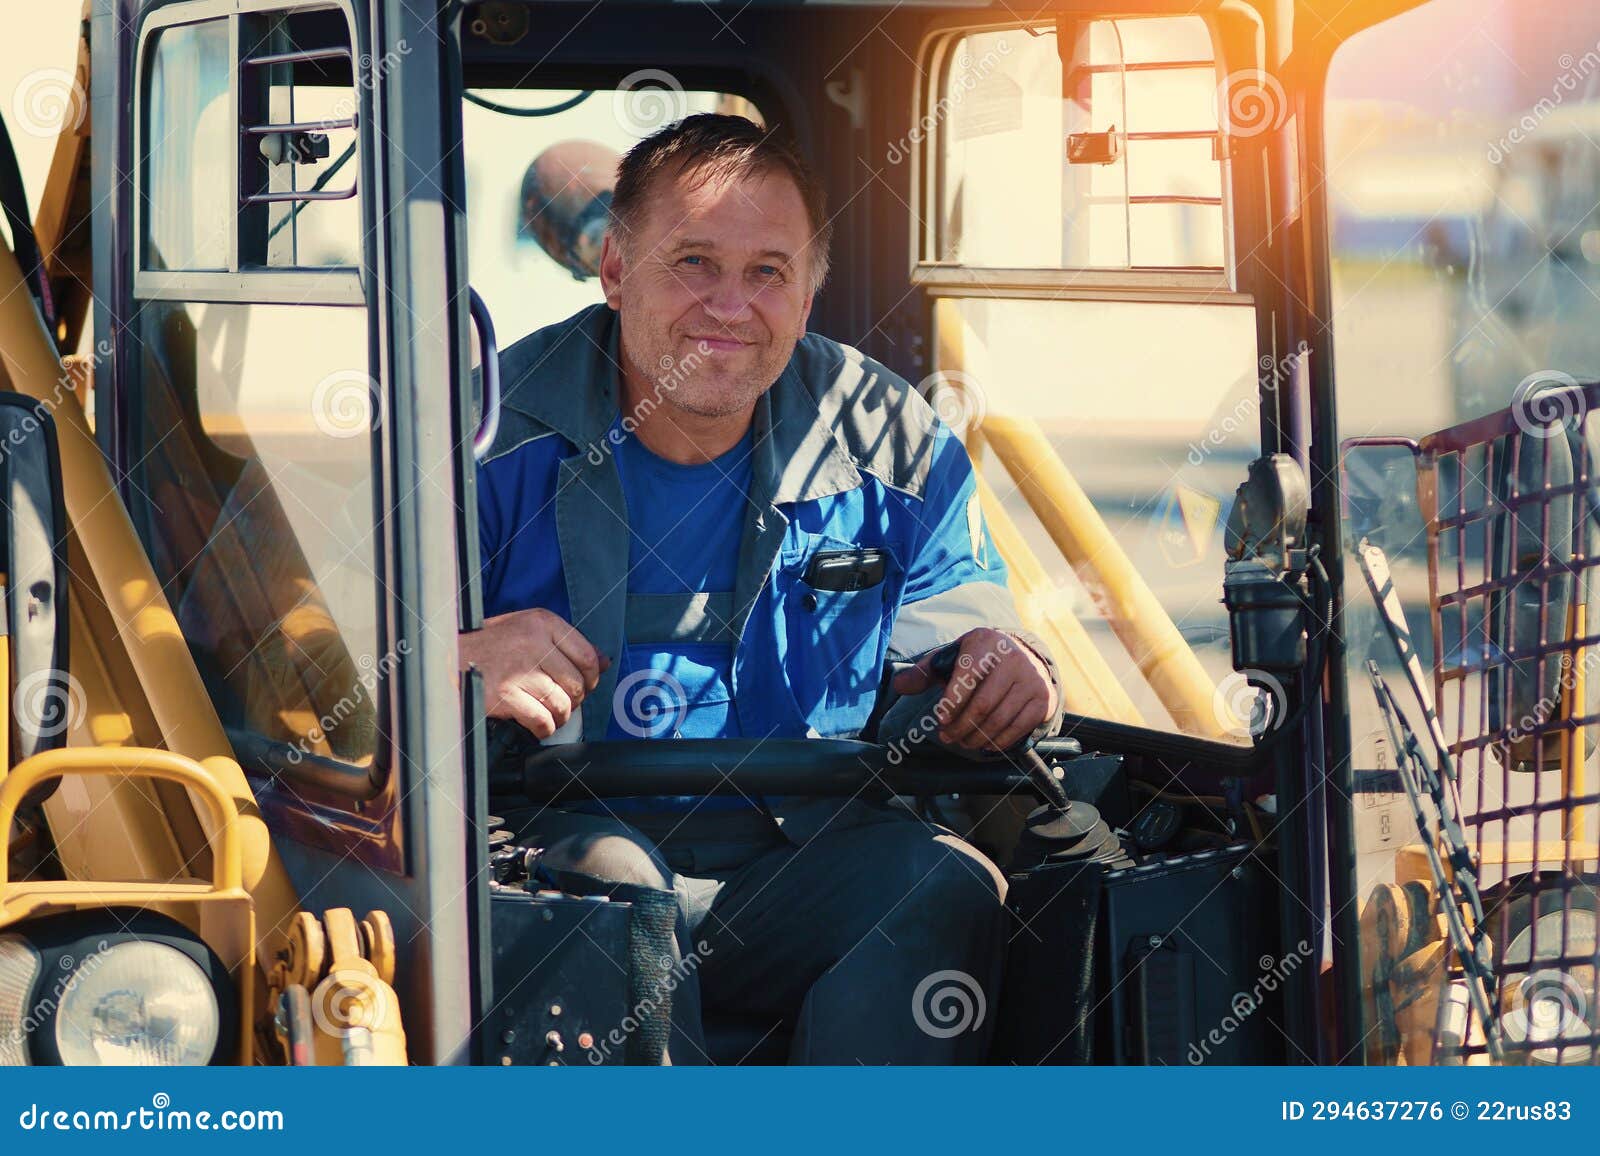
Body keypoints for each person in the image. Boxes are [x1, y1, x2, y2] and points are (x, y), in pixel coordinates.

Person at [462, 114, 1061, 1064]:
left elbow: (962, 631)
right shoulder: (477, 436)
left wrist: (1004, 670)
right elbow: (329, 689)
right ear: (615, 269)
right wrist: (451, 668)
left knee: (943, 885)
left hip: (800, 857)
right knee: (614, 893)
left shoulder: (893, 443)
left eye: (768, 272)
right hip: (557, 851)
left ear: (810, 291)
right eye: (693, 262)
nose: (730, 306)